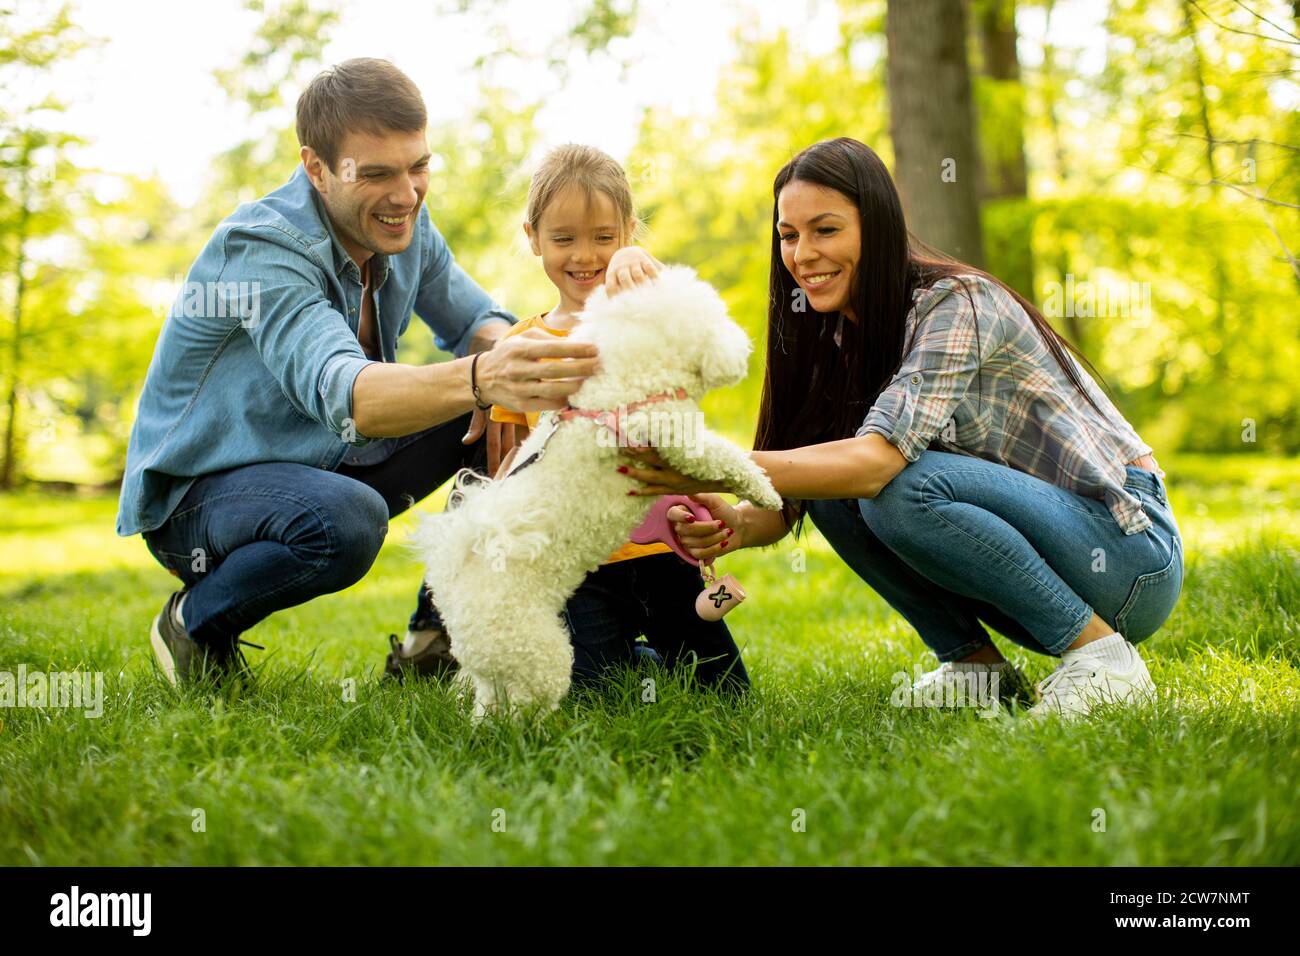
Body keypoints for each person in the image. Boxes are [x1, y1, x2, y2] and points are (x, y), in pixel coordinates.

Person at [624, 137, 1183, 718]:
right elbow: (796, 496)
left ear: (879, 226)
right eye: (789, 236)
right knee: (832, 479)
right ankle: (977, 671)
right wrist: (736, 523)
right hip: (1048, 569)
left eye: (826, 230)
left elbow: (876, 466)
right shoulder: (830, 335)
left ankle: (1103, 661)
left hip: (1128, 557)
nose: (803, 254)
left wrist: (711, 460)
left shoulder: (959, 303)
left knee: (897, 487)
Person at [118, 59, 600, 686]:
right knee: (345, 521)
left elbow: (478, 321)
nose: (405, 195)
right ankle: (193, 621)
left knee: (502, 406)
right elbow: (350, 395)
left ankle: (436, 638)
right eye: (376, 173)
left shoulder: (403, 223)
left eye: (418, 167)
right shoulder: (262, 250)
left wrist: (512, 365)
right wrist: (486, 374)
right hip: (202, 499)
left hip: (324, 458)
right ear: (316, 167)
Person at [483, 144, 749, 692]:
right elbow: (505, 464)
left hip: (662, 551)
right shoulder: (526, 344)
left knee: (725, 693)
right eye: (564, 239)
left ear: (629, 233)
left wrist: (633, 266)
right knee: (596, 694)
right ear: (532, 237)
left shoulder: (648, 318)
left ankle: (655, 655)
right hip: (581, 564)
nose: (586, 256)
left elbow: (687, 323)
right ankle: (636, 660)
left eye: (605, 238)